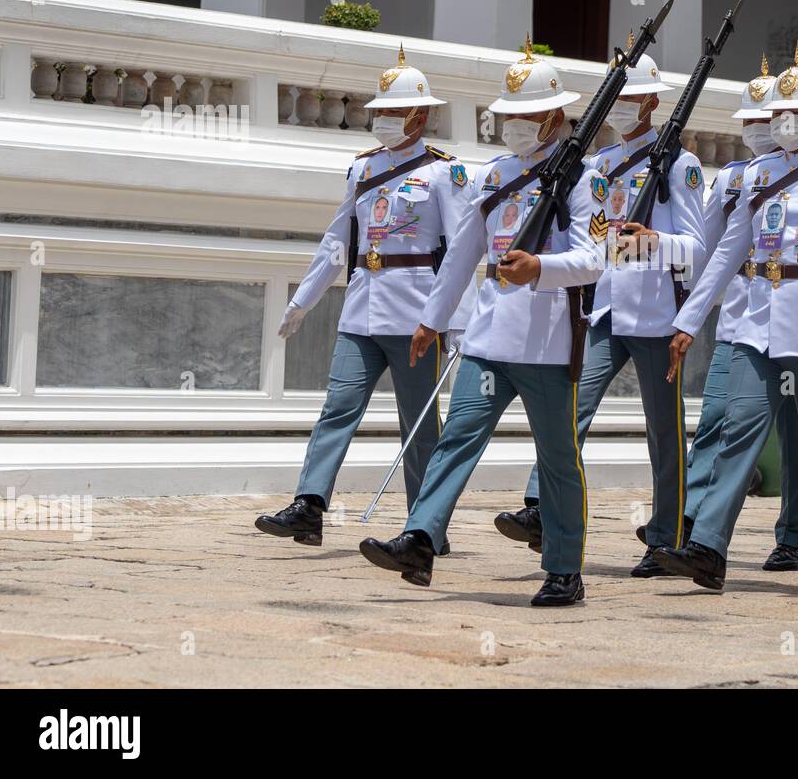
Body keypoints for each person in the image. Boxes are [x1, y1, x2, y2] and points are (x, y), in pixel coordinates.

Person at [358, 40, 607, 607]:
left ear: (551, 117)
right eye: (508, 116)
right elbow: (463, 253)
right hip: (490, 338)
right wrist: (431, 320)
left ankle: (565, 569)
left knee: (557, 458)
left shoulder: (584, 179)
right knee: (456, 440)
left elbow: (596, 260)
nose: (513, 126)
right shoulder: (495, 175)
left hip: (547, 342)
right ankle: (421, 540)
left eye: (524, 117)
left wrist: (541, 266)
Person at [657, 43, 798, 594]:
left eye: (795, 114)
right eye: (777, 115)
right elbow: (727, 251)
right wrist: (689, 320)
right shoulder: (756, 175)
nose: (783, 123)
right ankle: (709, 547)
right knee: (738, 430)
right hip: (756, 320)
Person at [493, 36, 707, 579]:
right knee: (571, 412)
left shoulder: (679, 165)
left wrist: (653, 242)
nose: (621, 109)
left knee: (664, 432)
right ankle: (541, 507)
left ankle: (666, 536)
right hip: (604, 306)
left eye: (632, 99)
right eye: (615, 100)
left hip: (658, 311)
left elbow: (698, 247)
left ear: (654, 103)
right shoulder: (595, 163)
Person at [255, 47, 468, 547]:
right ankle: (309, 506)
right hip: (362, 306)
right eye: (381, 113)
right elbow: (338, 240)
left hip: (419, 313)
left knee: (418, 428)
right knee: (339, 405)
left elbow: (462, 251)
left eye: (394, 113)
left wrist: (456, 322)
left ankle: (426, 527)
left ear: (421, 116)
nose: (385, 121)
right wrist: (302, 300)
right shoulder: (362, 169)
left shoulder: (446, 173)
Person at [679, 55, 798, 572]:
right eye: (749, 122)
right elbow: (707, 248)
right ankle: (691, 524)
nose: (755, 130)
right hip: (740, 319)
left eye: (763, 121)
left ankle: (792, 534)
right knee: (718, 421)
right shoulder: (737, 177)